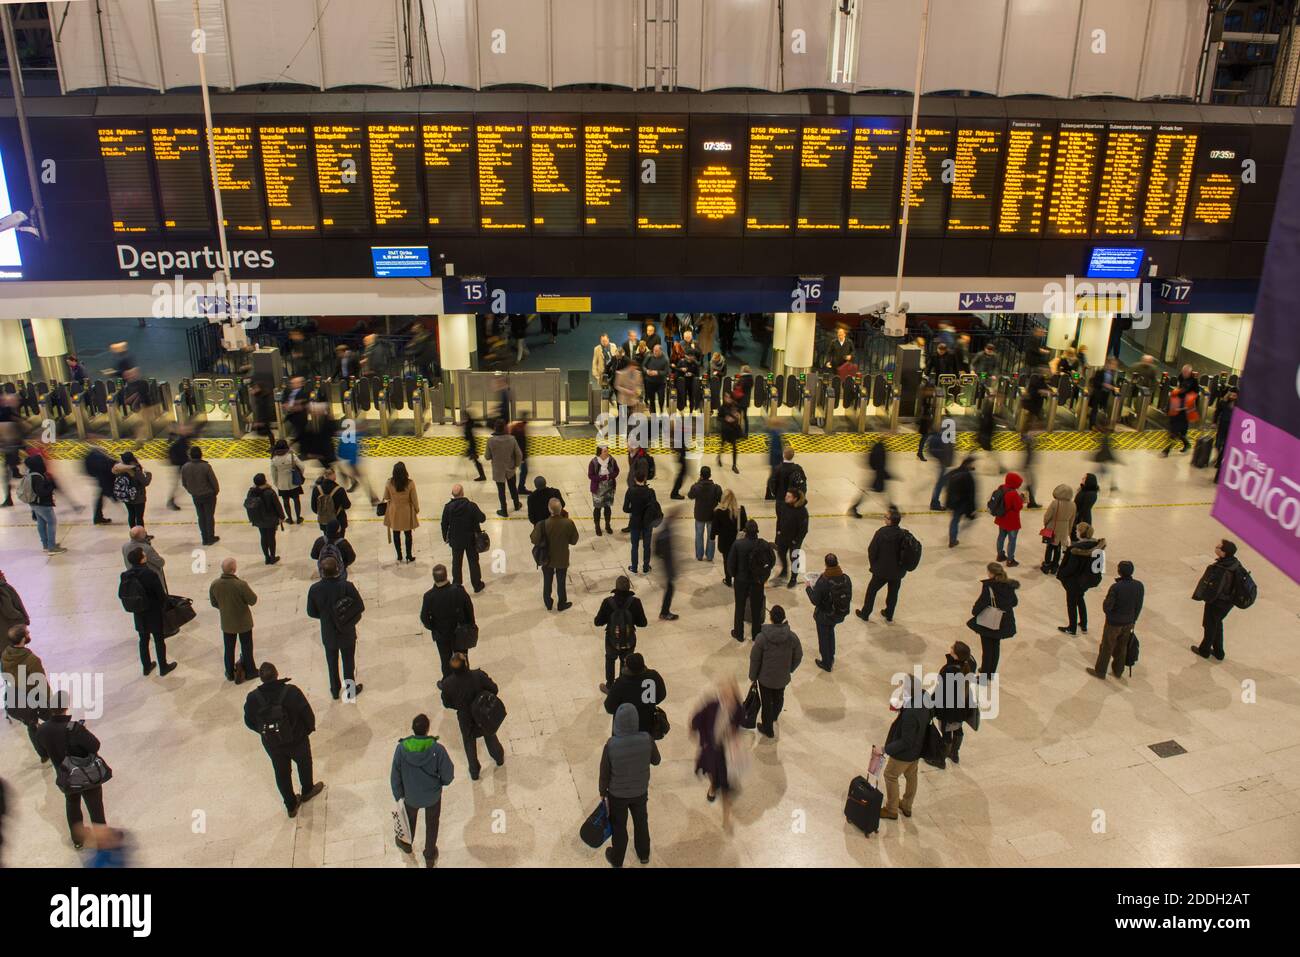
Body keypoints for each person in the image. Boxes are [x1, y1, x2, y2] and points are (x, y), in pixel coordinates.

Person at [243, 663, 324, 818]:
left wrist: (263, 732)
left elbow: (248, 721)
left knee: (281, 772)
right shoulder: (291, 691)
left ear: (261, 678)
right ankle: (307, 790)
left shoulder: (253, 698)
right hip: (297, 739)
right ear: (277, 674)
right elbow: (307, 714)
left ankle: (291, 805)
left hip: (272, 744)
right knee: (304, 763)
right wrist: (306, 730)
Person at [37, 691, 109, 846]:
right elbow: (95, 745)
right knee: (95, 806)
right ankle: (102, 840)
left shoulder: (42, 730)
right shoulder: (73, 728)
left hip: (65, 775)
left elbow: (42, 752)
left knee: (72, 803)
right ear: (66, 707)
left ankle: (77, 839)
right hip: (86, 774)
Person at [599, 702, 661, 867]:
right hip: (640, 792)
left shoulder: (611, 745)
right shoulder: (646, 739)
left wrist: (602, 792)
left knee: (619, 826)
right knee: (641, 822)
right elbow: (657, 760)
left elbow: (604, 773)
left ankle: (617, 859)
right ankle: (644, 854)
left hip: (617, 795)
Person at [390, 713, 454, 866]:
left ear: (412, 729)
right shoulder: (437, 750)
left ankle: (406, 844)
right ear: (427, 729)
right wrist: (441, 783)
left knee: (409, 820)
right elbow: (448, 774)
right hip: (432, 796)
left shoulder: (401, 749)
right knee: (432, 823)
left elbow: (395, 775)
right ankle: (430, 854)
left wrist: (399, 795)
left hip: (410, 797)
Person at [305, 557, 365, 700]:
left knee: (331, 662)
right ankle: (350, 691)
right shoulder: (347, 586)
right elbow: (360, 606)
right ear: (338, 569)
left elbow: (311, 612)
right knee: (348, 662)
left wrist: (325, 617)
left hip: (328, 632)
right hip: (346, 631)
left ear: (322, 571)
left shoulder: (314, 589)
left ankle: (334, 690)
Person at [439, 652, 506, 780]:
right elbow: (494, 688)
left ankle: (474, 771)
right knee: (490, 736)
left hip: (466, 719)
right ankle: (498, 757)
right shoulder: (478, 675)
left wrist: (460, 707)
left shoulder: (447, 684)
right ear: (466, 664)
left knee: (469, 743)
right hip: (484, 714)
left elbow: (447, 703)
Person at [689, 680, 745, 816]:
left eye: (730, 696)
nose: (727, 699)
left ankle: (724, 783)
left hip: (728, 747)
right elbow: (697, 718)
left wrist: (734, 732)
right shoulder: (712, 706)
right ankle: (713, 786)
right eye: (724, 695)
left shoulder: (738, 709)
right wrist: (693, 729)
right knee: (712, 768)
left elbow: (741, 721)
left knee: (726, 769)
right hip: (711, 745)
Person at [880, 676, 930, 820]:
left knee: (890, 775)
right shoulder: (924, 698)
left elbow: (905, 741)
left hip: (904, 754)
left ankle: (891, 809)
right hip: (917, 749)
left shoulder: (910, 714)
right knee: (911, 775)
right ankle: (907, 805)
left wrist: (885, 749)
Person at [119, 547, 174, 677]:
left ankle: (146, 666)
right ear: (142, 559)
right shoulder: (150, 574)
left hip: (138, 612)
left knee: (143, 640)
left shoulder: (126, 575)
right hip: (153, 611)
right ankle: (163, 666)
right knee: (159, 640)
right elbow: (160, 595)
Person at [749, 605, 803, 737]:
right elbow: (798, 655)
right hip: (782, 678)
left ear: (771, 618)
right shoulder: (792, 637)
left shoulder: (762, 638)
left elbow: (755, 659)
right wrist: (790, 669)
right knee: (779, 698)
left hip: (765, 679)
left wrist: (753, 676)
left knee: (766, 702)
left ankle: (768, 728)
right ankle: (774, 716)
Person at [1088, 560, 1144, 680]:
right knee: (1122, 646)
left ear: (1119, 572)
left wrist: (1109, 612)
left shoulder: (1116, 587)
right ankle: (1118, 670)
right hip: (1129, 622)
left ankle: (1100, 671)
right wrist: (1134, 620)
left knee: (1107, 646)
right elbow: (1139, 605)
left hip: (1114, 623)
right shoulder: (1139, 585)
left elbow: (1107, 607)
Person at [1191, 539, 1244, 661]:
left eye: (1218, 547)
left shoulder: (1222, 569)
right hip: (1228, 603)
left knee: (1209, 625)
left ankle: (1204, 650)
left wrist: (1207, 599)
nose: (1216, 547)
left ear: (1223, 553)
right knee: (1217, 623)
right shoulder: (1234, 563)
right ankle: (1219, 652)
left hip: (1218, 602)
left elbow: (1216, 589)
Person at [2, 624, 48, 761]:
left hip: (18, 694)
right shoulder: (31, 660)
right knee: (53, 718)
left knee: (31, 725)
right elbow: (41, 681)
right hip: (34, 694)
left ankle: (43, 754)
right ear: (23, 639)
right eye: (27, 633)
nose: (29, 635)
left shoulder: (5, 654)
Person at [209, 558, 259, 683]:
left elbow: (214, 602)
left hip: (227, 623)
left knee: (229, 648)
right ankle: (251, 671)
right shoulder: (240, 584)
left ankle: (230, 672)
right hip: (243, 622)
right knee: (246, 646)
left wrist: (224, 608)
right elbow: (253, 600)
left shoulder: (215, 584)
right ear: (233, 569)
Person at [421, 564, 476, 677]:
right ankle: (465, 680)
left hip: (442, 634)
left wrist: (434, 627)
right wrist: (470, 624)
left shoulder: (429, 596)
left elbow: (424, 618)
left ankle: (448, 683)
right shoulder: (459, 590)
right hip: (460, 632)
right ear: (446, 575)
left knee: (445, 660)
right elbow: (469, 608)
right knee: (462, 657)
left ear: (433, 577)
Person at [595, 576, 648, 692]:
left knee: (610, 660)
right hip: (629, 641)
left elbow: (597, 622)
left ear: (616, 587)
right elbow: (643, 623)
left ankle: (610, 685)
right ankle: (622, 687)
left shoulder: (608, 602)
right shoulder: (636, 602)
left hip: (611, 641)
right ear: (629, 587)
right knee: (626, 662)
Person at [857, 506, 908, 624]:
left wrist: (874, 565)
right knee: (893, 593)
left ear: (890, 521)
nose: (884, 518)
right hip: (897, 572)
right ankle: (889, 614)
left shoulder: (881, 532)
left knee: (871, 591)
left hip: (881, 571)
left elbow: (872, 550)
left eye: (886, 517)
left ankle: (865, 613)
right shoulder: (903, 534)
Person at [969, 562, 1018, 679]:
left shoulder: (989, 586)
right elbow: (1014, 602)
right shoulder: (1009, 585)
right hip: (1003, 621)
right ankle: (991, 672)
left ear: (990, 573)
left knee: (987, 649)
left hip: (990, 622)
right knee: (995, 646)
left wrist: (974, 611)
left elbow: (982, 603)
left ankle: (984, 675)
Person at [1056, 523, 1106, 636]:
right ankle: (1083, 624)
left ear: (1081, 533)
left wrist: (1060, 574)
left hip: (1075, 581)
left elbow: (1070, 568)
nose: (1075, 532)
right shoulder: (1098, 546)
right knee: (1080, 598)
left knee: (1071, 603)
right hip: (1088, 580)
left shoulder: (1076, 549)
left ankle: (1072, 628)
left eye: (1077, 530)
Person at [932, 643, 977, 765]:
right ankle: (954, 754)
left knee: (946, 732)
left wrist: (931, 702)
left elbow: (942, 689)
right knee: (958, 728)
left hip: (949, 707)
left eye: (952, 648)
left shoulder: (950, 670)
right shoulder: (969, 664)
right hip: (962, 705)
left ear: (956, 655)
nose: (950, 648)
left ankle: (941, 760)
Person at [531, 497, 579, 611]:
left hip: (546, 559)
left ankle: (548, 602)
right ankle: (562, 603)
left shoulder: (541, 524)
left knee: (547, 581)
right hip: (562, 558)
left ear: (549, 509)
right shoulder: (568, 523)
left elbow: (534, 540)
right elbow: (574, 541)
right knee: (561, 582)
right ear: (561, 509)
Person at [728, 519, 772, 641]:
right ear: (757, 531)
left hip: (741, 581)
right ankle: (756, 634)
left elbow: (730, 565)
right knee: (756, 608)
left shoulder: (738, 544)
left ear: (745, 531)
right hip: (757, 581)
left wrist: (735, 575)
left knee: (740, 607)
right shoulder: (763, 544)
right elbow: (771, 561)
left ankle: (739, 633)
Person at [807, 552, 851, 672]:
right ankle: (831, 657)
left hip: (825, 616)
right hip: (838, 613)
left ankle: (826, 662)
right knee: (830, 633)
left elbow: (815, 600)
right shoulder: (846, 578)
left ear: (826, 564)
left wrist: (808, 588)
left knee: (823, 638)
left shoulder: (823, 581)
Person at [602, 652, 667, 734]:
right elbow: (662, 695)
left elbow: (609, 707)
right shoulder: (654, 676)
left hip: (625, 726)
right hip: (648, 724)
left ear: (629, 668)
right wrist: (650, 704)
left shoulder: (621, 683)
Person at [441, 484, 486, 592]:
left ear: (453, 494)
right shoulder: (471, 506)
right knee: (473, 562)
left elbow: (444, 524)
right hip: (471, 539)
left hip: (456, 540)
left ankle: (457, 586)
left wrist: (445, 537)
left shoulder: (448, 507)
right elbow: (482, 518)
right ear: (462, 493)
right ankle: (477, 585)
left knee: (456, 563)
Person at [22, 455, 65, 554]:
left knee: (41, 523)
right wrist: (51, 486)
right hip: (43, 504)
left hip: (34, 504)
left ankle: (46, 545)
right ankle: (52, 547)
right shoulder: (38, 476)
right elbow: (41, 492)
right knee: (51, 522)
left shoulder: (30, 473)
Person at [180, 446, 220, 546]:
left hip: (196, 496)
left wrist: (191, 491)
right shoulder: (206, 467)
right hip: (208, 495)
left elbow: (184, 483)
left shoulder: (185, 467)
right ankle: (210, 537)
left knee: (201, 517)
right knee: (209, 516)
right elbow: (213, 482)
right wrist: (215, 491)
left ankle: (204, 538)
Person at [380, 462, 420, 564]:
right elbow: (414, 499)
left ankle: (399, 555)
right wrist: (416, 509)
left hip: (394, 511)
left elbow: (386, 497)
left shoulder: (389, 483)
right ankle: (409, 555)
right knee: (408, 534)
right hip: (407, 511)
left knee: (396, 533)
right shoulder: (410, 483)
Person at [623, 467, 658, 575]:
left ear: (634, 479)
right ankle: (646, 567)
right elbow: (654, 507)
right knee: (646, 546)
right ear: (645, 478)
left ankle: (634, 567)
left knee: (634, 546)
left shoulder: (630, 491)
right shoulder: (650, 492)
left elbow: (625, 508)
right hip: (647, 523)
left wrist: (633, 510)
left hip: (635, 522)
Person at [485, 419, 523, 517]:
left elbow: (487, 456)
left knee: (501, 491)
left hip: (498, 470)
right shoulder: (512, 439)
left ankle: (504, 510)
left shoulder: (491, 441)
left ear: (495, 429)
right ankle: (516, 504)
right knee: (513, 487)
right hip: (510, 469)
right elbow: (519, 454)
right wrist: (516, 465)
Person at [246, 472, 285, 565]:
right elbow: (277, 506)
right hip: (270, 519)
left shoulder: (251, 492)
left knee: (263, 537)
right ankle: (272, 557)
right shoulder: (270, 492)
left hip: (258, 519)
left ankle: (266, 557)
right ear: (265, 481)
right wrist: (282, 516)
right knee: (271, 538)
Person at [774, 488, 808, 587]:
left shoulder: (802, 511)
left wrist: (795, 541)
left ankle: (793, 578)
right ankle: (784, 571)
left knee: (794, 559)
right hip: (783, 536)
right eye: (786, 495)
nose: (786, 497)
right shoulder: (784, 506)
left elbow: (803, 530)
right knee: (781, 553)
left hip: (794, 540)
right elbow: (780, 520)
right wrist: (778, 532)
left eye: (788, 496)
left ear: (795, 499)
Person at [711, 489, 747, 586]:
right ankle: (738, 579)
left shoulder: (718, 511)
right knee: (738, 560)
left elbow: (715, 528)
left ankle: (728, 579)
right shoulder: (741, 510)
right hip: (738, 541)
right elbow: (745, 526)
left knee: (726, 560)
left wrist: (712, 537)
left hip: (725, 542)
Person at [850, 438, 891, 518]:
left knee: (873, 492)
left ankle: (854, 507)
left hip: (876, 474)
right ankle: (892, 510)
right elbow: (879, 463)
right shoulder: (880, 447)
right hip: (878, 475)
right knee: (881, 492)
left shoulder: (878, 445)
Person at [688, 466, 723, 561]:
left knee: (699, 536)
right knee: (711, 537)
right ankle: (710, 556)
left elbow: (690, 495)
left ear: (701, 475)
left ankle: (699, 556)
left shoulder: (696, 487)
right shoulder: (716, 488)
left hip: (699, 516)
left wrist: (697, 482)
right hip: (712, 516)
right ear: (710, 475)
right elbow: (721, 500)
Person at [1040, 483, 1077, 574]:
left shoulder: (1055, 503)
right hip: (1064, 529)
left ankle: (1046, 565)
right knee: (1058, 548)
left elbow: (1047, 516)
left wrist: (1046, 524)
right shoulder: (1073, 505)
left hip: (1052, 527)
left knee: (1049, 547)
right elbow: (1072, 520)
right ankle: (1055, 566)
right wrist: (1068, 530)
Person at [992, 472, 1025, 566]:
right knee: (1012, 541)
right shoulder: (1013, 494)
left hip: (1001, 519)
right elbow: (1018, 507)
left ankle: (1000, 555)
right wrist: (1021, 500)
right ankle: (1010, 560)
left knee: (1001, 537)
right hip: (1012, 522)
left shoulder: (1001, 488)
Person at [944, 456, 977, 548]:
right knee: (959, 520)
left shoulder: (954, 473)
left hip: (954, 502)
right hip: (962, 503)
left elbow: (947, 487)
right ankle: (953, 539)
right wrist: (972, 509)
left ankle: (952, 539)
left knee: (954, 520)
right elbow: (971, 494)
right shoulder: (968, 476)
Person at [270, 439, 306, 524]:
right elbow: (302, 467)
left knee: (285, 502)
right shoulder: (292, 456)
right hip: (294, 482)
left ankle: (289, 519)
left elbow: (273, 473)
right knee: (296, 500)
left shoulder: (274, 459)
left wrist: (276, 483)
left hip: (282, 484)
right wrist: (299, 474)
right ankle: (298, 518)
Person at [112, 451, 151, 529]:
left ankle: (133, 532)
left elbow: (114, 470)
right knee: (139, 517)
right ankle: (141, 534)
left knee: (131, 514)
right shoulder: (135, 470)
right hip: (138, 497)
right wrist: (149, 474)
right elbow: (145, 482)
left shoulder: (119, 469)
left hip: (126, 496)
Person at [652, 511, 679, 621]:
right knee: (670, 588)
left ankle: (665, 611)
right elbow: (660, 552)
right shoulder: (665, 534)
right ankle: (664, 612)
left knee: (670, 588)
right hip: (667, 566)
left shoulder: (665, 532)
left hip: (667, 565)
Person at [120, 526, 166, 590]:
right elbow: (160, 563)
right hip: (150, 579)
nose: (146, 532)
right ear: (141, 536)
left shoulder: (125, 546)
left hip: (134, 578)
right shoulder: (146, 548)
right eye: (144, 532)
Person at [82, 445, 119, 525]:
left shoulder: (96, 458)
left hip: (102, 478)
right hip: (104, 479)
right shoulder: (103, 460)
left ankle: (98, 517)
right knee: (105, 493)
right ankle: (98, 517)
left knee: (102, 495)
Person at [588, 444, 620, 537]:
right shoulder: (593, 462)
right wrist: (601, 478)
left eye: (607, 450)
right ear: (600, 453)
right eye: (605, 451)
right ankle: (597, 526)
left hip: (609, 487)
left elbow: (617, 471)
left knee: (607, 507)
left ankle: (607, 525)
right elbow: (590, 475)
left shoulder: (612, 460)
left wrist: (610, 476)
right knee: (597, 508)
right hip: (598, 488)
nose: (607, 452)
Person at [310, 467, 352, 532]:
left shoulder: (316, 489)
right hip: (339, 521)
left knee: (327, 539)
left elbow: (314, 508)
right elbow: (347, 505)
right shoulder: (340, 490)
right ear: (333, 475)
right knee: (339, 540)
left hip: (324, 521)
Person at [1087, 356, 1121, 429]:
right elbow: (1096, 382)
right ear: (1108, 364)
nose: (1115, 366)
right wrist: (1105, 385)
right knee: (1094, 410)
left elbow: (1112, 384)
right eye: (1113, 364)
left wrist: (1115, 390)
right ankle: (1092, 425)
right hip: (1098, 394)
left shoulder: (1112, 374)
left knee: (1104, 410)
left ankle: (1102, 425)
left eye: (1115, 365)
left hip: (1105, 395)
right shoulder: (1100, 372)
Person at [0, 570, 30, 644]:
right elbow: (9, 610)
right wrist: (21, 618)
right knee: (11, 649)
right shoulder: (2, 588)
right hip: (8, 626)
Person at [717, 395, 743, 473]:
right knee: (723, 445)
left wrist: (737, 416)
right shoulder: (722, 407)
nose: (727, 399)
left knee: (734, 447)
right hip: (725, 430)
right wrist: (725, 419)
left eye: (729, 397)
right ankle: (719, 457)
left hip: (733, 430)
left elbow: (739, 413)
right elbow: (718, 417)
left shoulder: (735, 405)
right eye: (726, 397)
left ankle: (734, 465)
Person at [643, 342, 670, 414]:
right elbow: (643, 366)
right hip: (650, 381)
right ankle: (653, 414)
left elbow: (667, 372)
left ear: (661, 351)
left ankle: (661, 409)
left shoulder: (665, 359)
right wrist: (647, 371)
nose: (654, 352)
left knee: (661, 399)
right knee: (651, 400)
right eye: (654, 350)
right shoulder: (649, 356)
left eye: (656, 351)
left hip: (660, 383)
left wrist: (657, 373)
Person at [461, 415, 486, 482]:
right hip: (473, 445)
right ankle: (482, 475)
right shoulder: (471, 423)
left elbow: (466, 437)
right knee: (475, 460)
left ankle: (482, 476)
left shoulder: (468, 426)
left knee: (476, 461)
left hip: (472, 446)